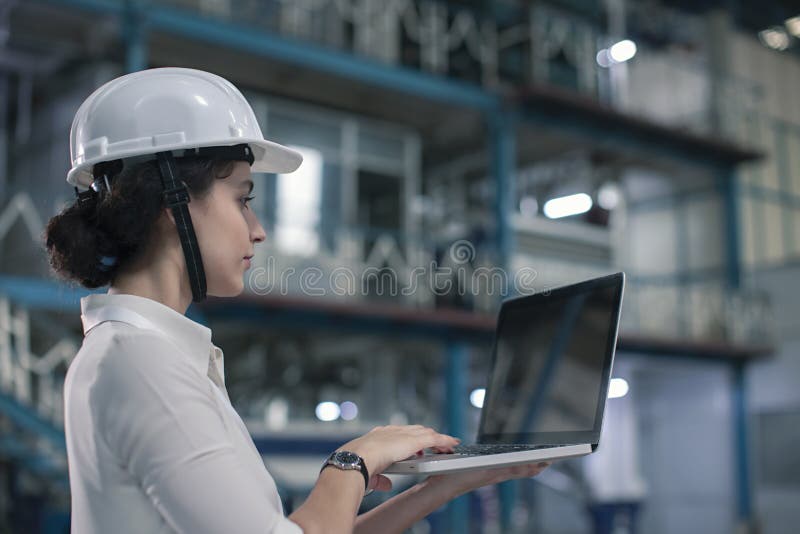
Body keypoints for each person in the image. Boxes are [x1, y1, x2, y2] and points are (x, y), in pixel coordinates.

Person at [47, 67, 549, 534]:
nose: (258, 230)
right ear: (167, 202)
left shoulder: (140, 354)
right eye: (243, 199)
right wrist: (353, 461)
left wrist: (444, 486)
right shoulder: (140, 363)